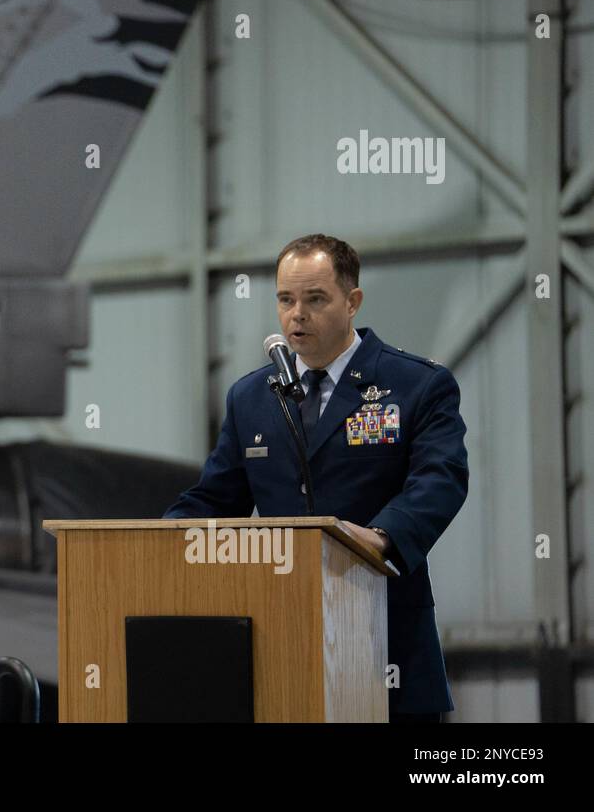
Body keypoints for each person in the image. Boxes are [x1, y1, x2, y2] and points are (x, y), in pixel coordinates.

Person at [163, 234, 468, 721]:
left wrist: (382, 538)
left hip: (382, 625)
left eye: (315, 299)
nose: (296, 314)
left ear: (353, 302)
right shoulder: (252, 398)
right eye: (285, 300)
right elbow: (216, 497)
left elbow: (441, 478)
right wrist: (155, 540)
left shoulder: (417, 385)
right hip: (277, 634)